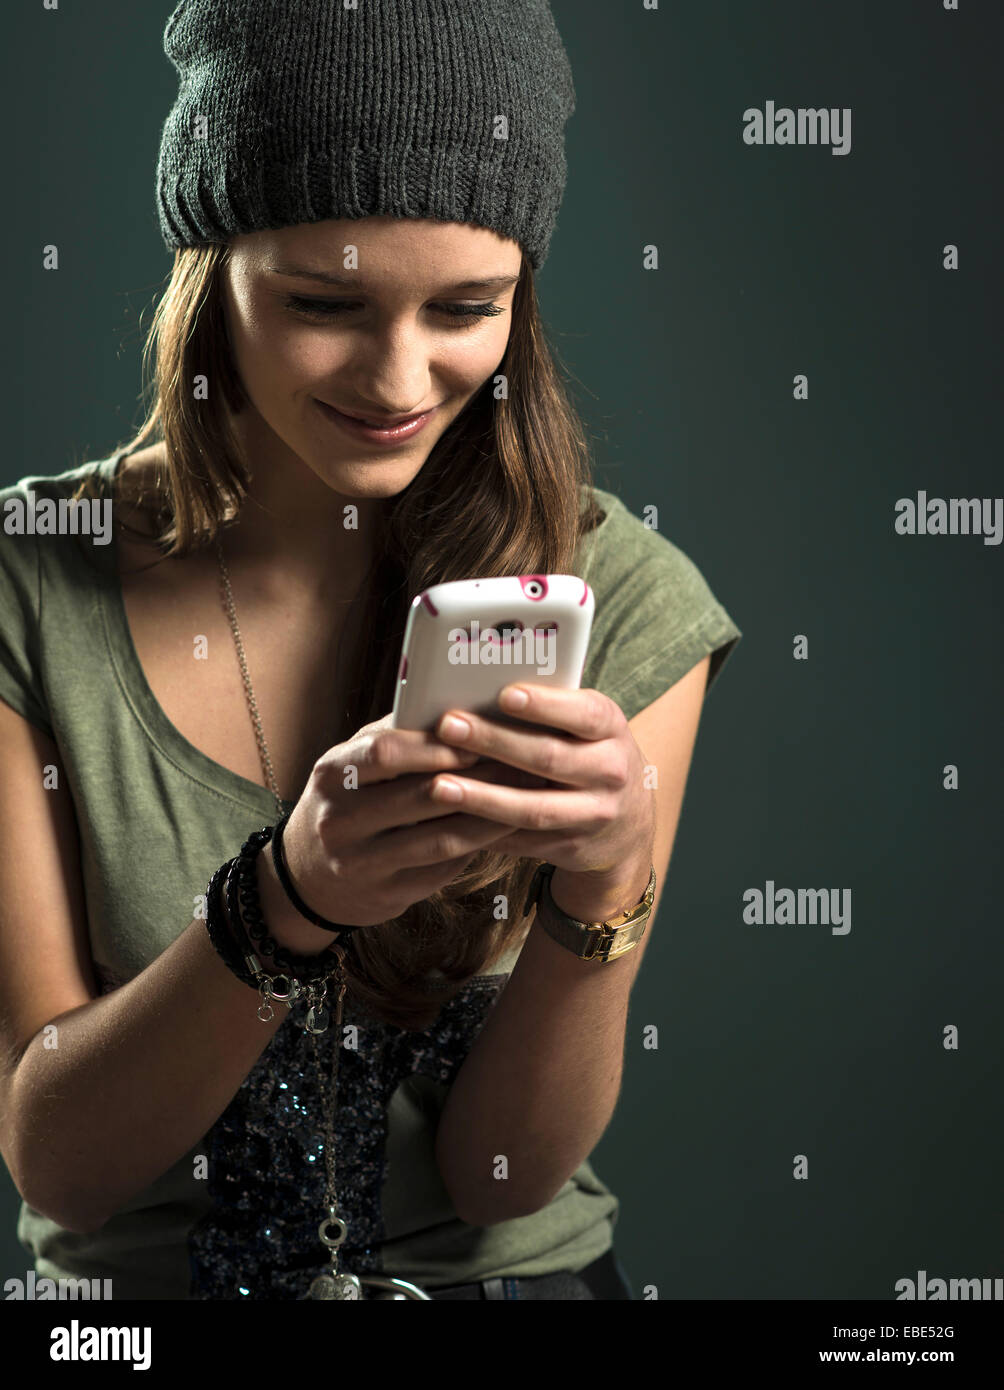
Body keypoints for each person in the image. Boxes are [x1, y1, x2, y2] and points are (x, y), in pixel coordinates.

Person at [0, 0, 741, 1300]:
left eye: (468, 307)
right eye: (325, 302)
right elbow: (60, 1162)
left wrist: (606, 885)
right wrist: (284, 902)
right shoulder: (29, 578)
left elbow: (504, 1181)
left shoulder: (621, 598)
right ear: (212, 265)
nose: (400, 380)